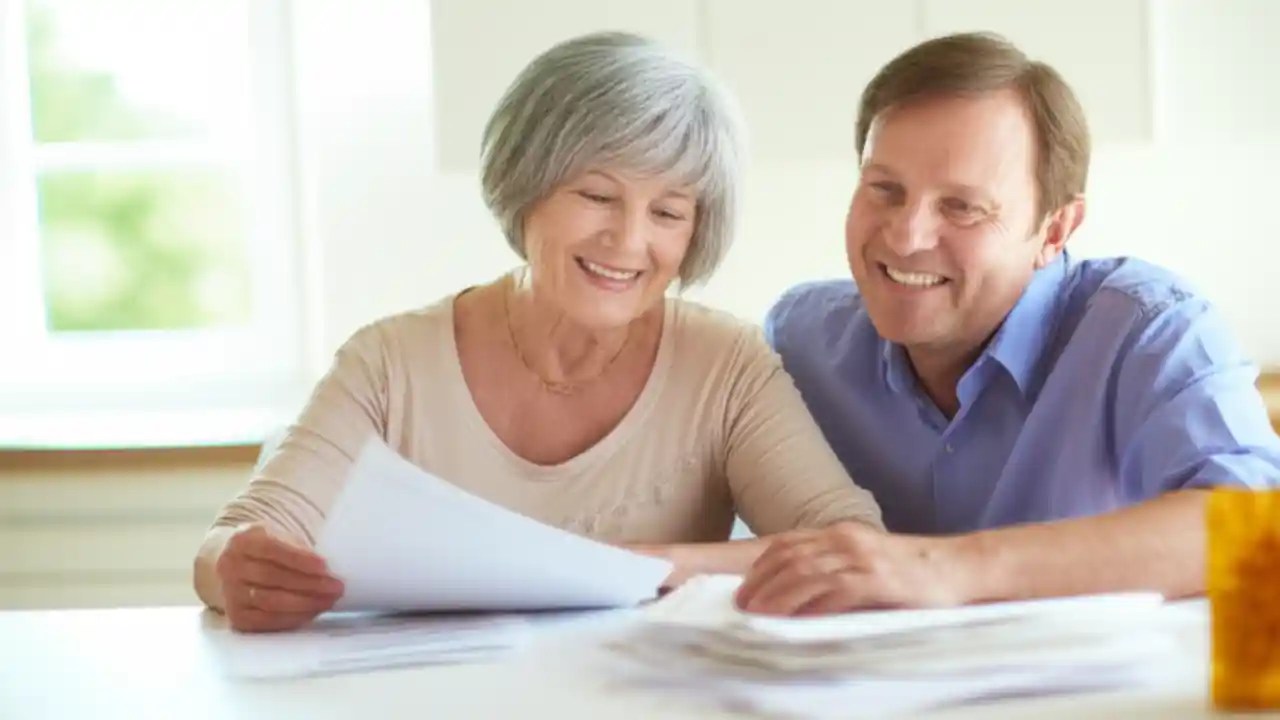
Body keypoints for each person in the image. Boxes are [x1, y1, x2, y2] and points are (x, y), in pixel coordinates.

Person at [194, 31, 882, 632]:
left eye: (668, 213)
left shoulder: (725, 365)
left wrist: (641, 567)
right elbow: (228, 544)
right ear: (527, 187)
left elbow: (854, 545)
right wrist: (238, 572)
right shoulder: (390, 364)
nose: (628, 241)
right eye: (597, 196)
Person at [735, 32, 1280, 616]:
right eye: (884, 190)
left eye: (962, 207)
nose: (906, 236)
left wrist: (943, 567)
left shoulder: (1150, 329)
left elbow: (1254, 527)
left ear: (1054, 231)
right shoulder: (799, 340)